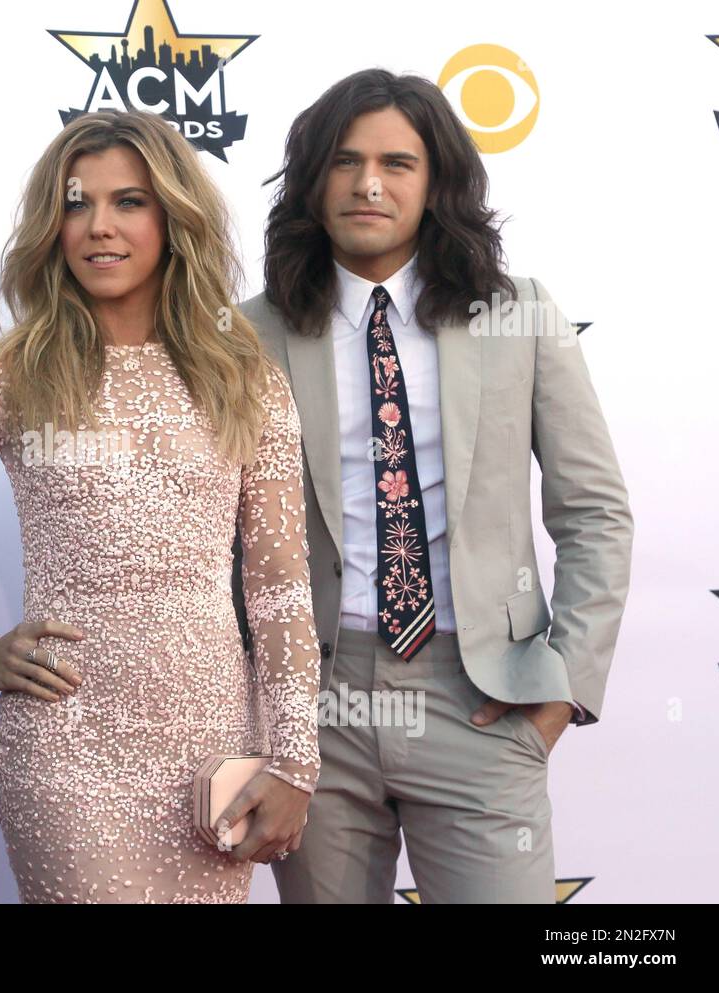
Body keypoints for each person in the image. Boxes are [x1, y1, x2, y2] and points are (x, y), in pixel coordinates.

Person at [0, 110, 320, 903]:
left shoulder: (246, 378)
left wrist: (294, 761)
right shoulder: (8, 374)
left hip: (211, 747)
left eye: (129, 202)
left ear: (173, 219)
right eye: (77, 204)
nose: (99, 226)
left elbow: (279, 586)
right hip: (67, 746)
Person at [238, 68, 634, 903]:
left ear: (437, 181)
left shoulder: (518, 314)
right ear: (312, 181)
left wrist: (563, 686)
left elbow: (595, 510)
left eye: (397, 163)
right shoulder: (249, 332)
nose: (368, 184)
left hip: (481, 691)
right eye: (345, 161)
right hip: (313, 703)